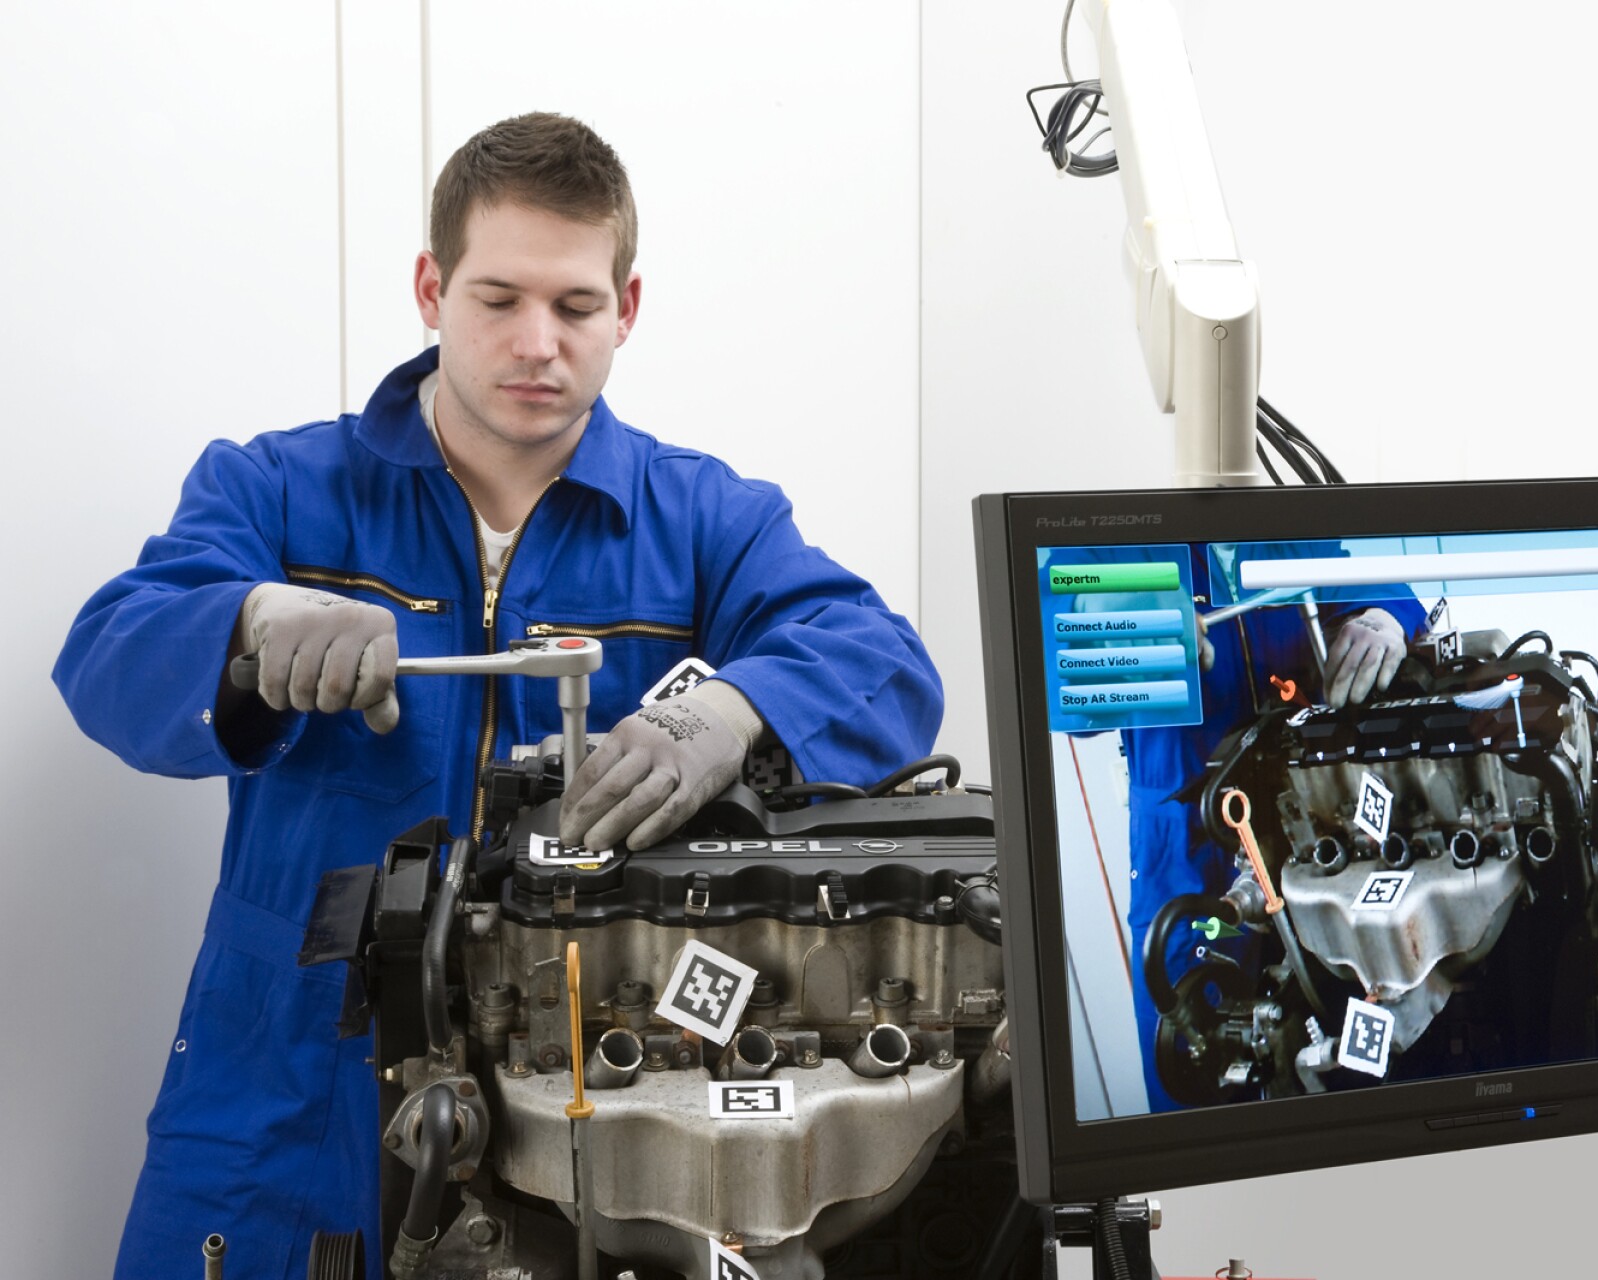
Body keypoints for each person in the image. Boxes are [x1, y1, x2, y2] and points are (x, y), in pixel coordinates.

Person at [53, 113, 942, 1280]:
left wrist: (729, 717)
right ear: (431, 288)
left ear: (628, 309)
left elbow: (881, 658)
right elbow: (109, 652)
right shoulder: (277, 488)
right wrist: (249, 623)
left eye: (576, 306)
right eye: (497, 298)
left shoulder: (704, 519)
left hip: (581, 1111)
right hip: (280, 1097)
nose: (538, 342)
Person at [1114, 540, 1425, 1111]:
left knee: (1340, 1078)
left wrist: (1387, 617)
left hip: (1312, 840)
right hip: (1189, 862)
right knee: (1195, 1087)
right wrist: (1128, 629)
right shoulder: (1113, 547)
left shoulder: (1282, 530)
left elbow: (1373, 586)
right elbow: (1062, 669)